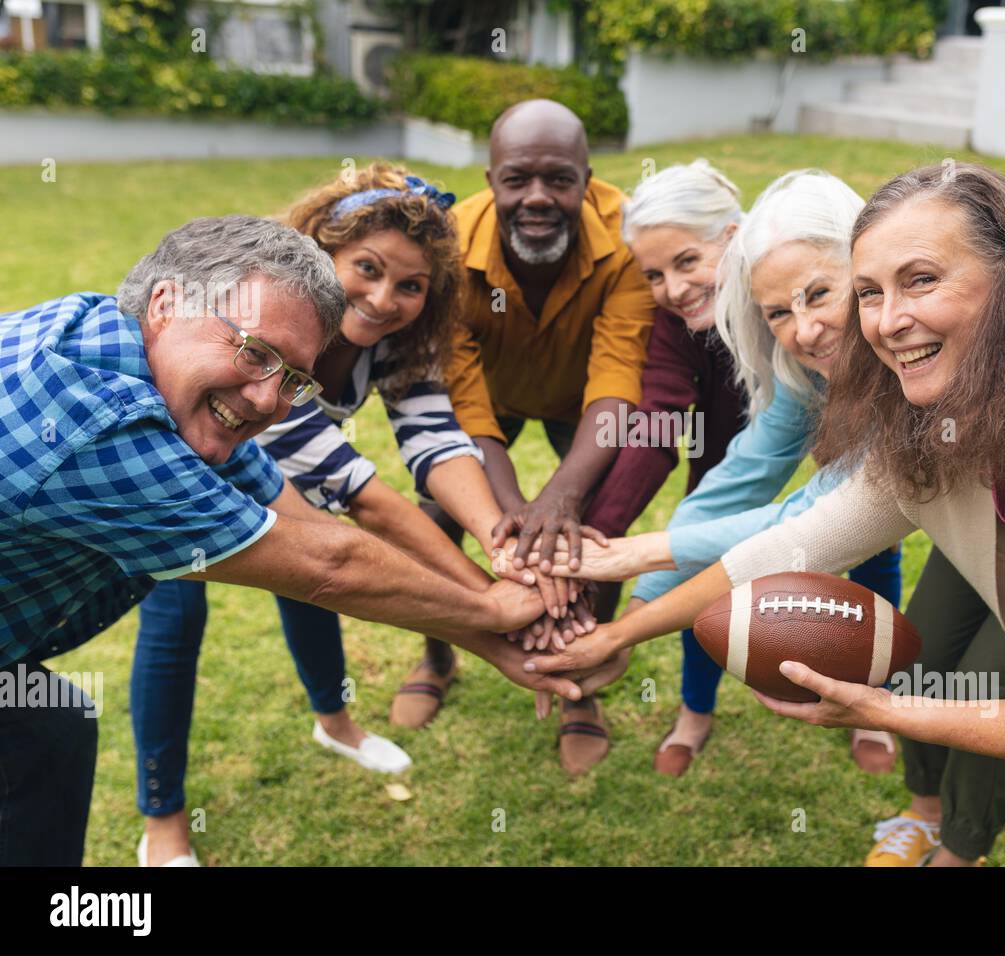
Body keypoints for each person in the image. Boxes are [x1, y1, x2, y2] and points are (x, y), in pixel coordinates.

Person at [527, 162, 1005, 866]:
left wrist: (887, 710)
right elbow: (800, 539)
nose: (888, 320)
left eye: (921, 280)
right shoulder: (939, 402)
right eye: (870, 291)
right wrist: (617, 634)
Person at [0, 215, 597, 867]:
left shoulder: (111, 337)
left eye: (292, 381)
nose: (265, 399)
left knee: (51, 729)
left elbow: (302, 517)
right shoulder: (101, 430)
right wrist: (497, 615)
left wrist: (493, 614)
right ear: (168, 301)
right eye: (255, 353)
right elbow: (327, 564)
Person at [128, 165, 556, 866]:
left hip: (263, 468)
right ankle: (164, 820)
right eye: (367, 268)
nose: (384, 298)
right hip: (177, 463)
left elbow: (436, 442)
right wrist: (492, 602)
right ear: (321, 249)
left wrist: (497, 544)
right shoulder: (280, 335)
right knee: (179, 622)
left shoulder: (398, 338)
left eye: (412, 285)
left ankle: (335, 721)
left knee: (310, 577)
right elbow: (364, 497)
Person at [580, 168, 905, 778]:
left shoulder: (904, 358)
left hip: (988, 530)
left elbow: (812, 519)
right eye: (778, 312)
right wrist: (632, 615)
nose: (803, 328)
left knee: (873, 559)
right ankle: (694, 711)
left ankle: (873, 708)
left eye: (818, 295)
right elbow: (737, 479)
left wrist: (633, 557)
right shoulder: (799, 358)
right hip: (828, 490)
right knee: (716, 563)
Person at [425, 98, 657, 775]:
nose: (537, 198)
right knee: (440, 518)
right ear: (491, 179)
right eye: (517, 178)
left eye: (559, 179)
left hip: (584, 405)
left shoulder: (628, 241)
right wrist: (509, 514)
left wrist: (561, 497)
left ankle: (582, 676)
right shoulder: (445, 248)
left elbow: (617, 381)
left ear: (588, 180)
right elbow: (465, 402)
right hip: (490, 403)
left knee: (598, 525)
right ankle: (438, 655)